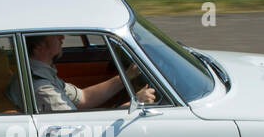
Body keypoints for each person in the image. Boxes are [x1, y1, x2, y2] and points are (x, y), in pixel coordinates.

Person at [10, 33, 156, 113]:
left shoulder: (40, 74)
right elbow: (78, 127)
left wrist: (127, 75)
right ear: (39, 47)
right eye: (54, 35)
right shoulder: (42, 88)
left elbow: (84, 98)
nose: (62, 37)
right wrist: (135, 102)